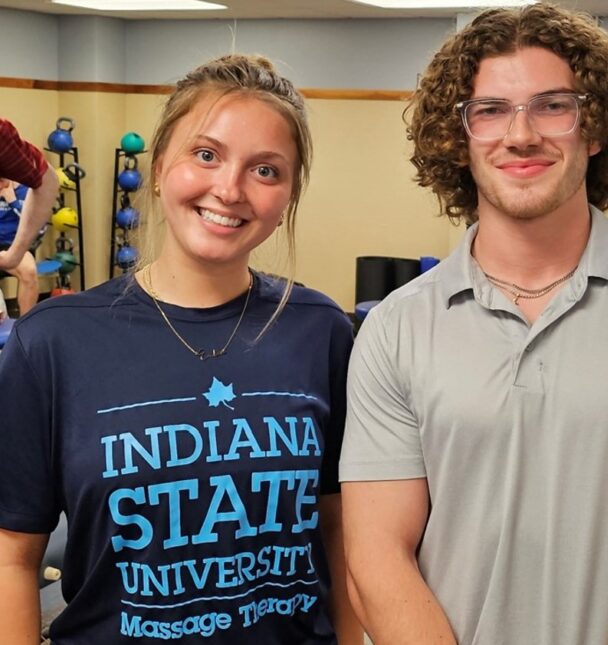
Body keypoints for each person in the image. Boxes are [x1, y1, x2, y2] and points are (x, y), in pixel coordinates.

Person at [339, 5, 608, 645]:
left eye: (553, 106)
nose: (521, 134)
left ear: (595, 129)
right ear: (459, 138)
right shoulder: (395, 330)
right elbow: (377, 563)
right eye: (490, 110)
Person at [0, 54, 361, 644]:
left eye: (265, 170)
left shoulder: (320, 331)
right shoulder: (51, 342)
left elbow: (340, 530)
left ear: (288, 198)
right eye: (206, 154)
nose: (230, 189)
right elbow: (12, 558)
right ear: (160, 166)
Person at [0, 119, 59, 275]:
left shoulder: (1, 136)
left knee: (28, 271)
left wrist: (13, 256)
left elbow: (47, 181)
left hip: (7, 243)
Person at [0, 180, 41, 316]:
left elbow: (39, 228)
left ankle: (25, 324)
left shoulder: (28, 191)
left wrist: (13, 202)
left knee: (29, 271)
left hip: (14, 246)